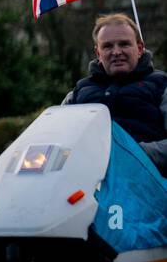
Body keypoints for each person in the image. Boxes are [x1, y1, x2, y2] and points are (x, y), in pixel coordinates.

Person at [62, 13, 167, 177]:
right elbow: (57, 137)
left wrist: (132, 153)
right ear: (98, 53)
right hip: (86, 188)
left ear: (139, 49)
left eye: (124, 44)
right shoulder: (78, 92)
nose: (116, 52)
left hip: (148, 187)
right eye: (108, 46)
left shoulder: (162, 86)